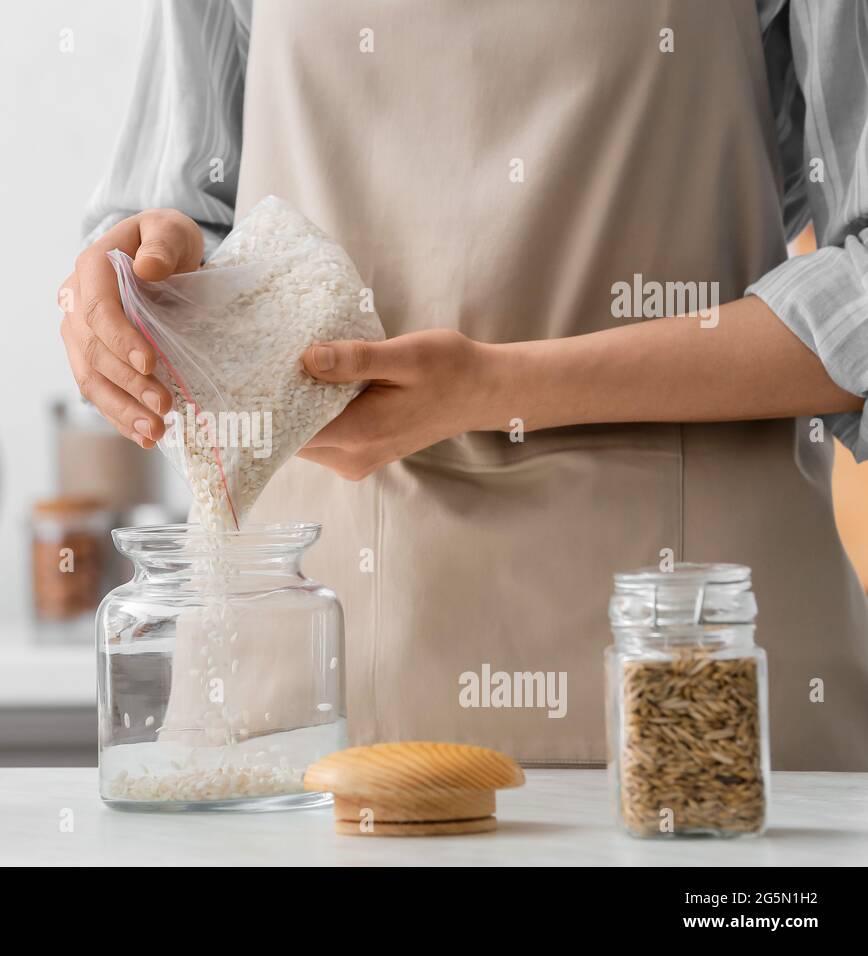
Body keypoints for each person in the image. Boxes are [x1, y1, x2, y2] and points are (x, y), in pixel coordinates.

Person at [58, 0, 868, 769]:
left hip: (688, 663)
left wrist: (496, 388)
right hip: (294, 640)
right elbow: (178, 213)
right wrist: (142, 286)